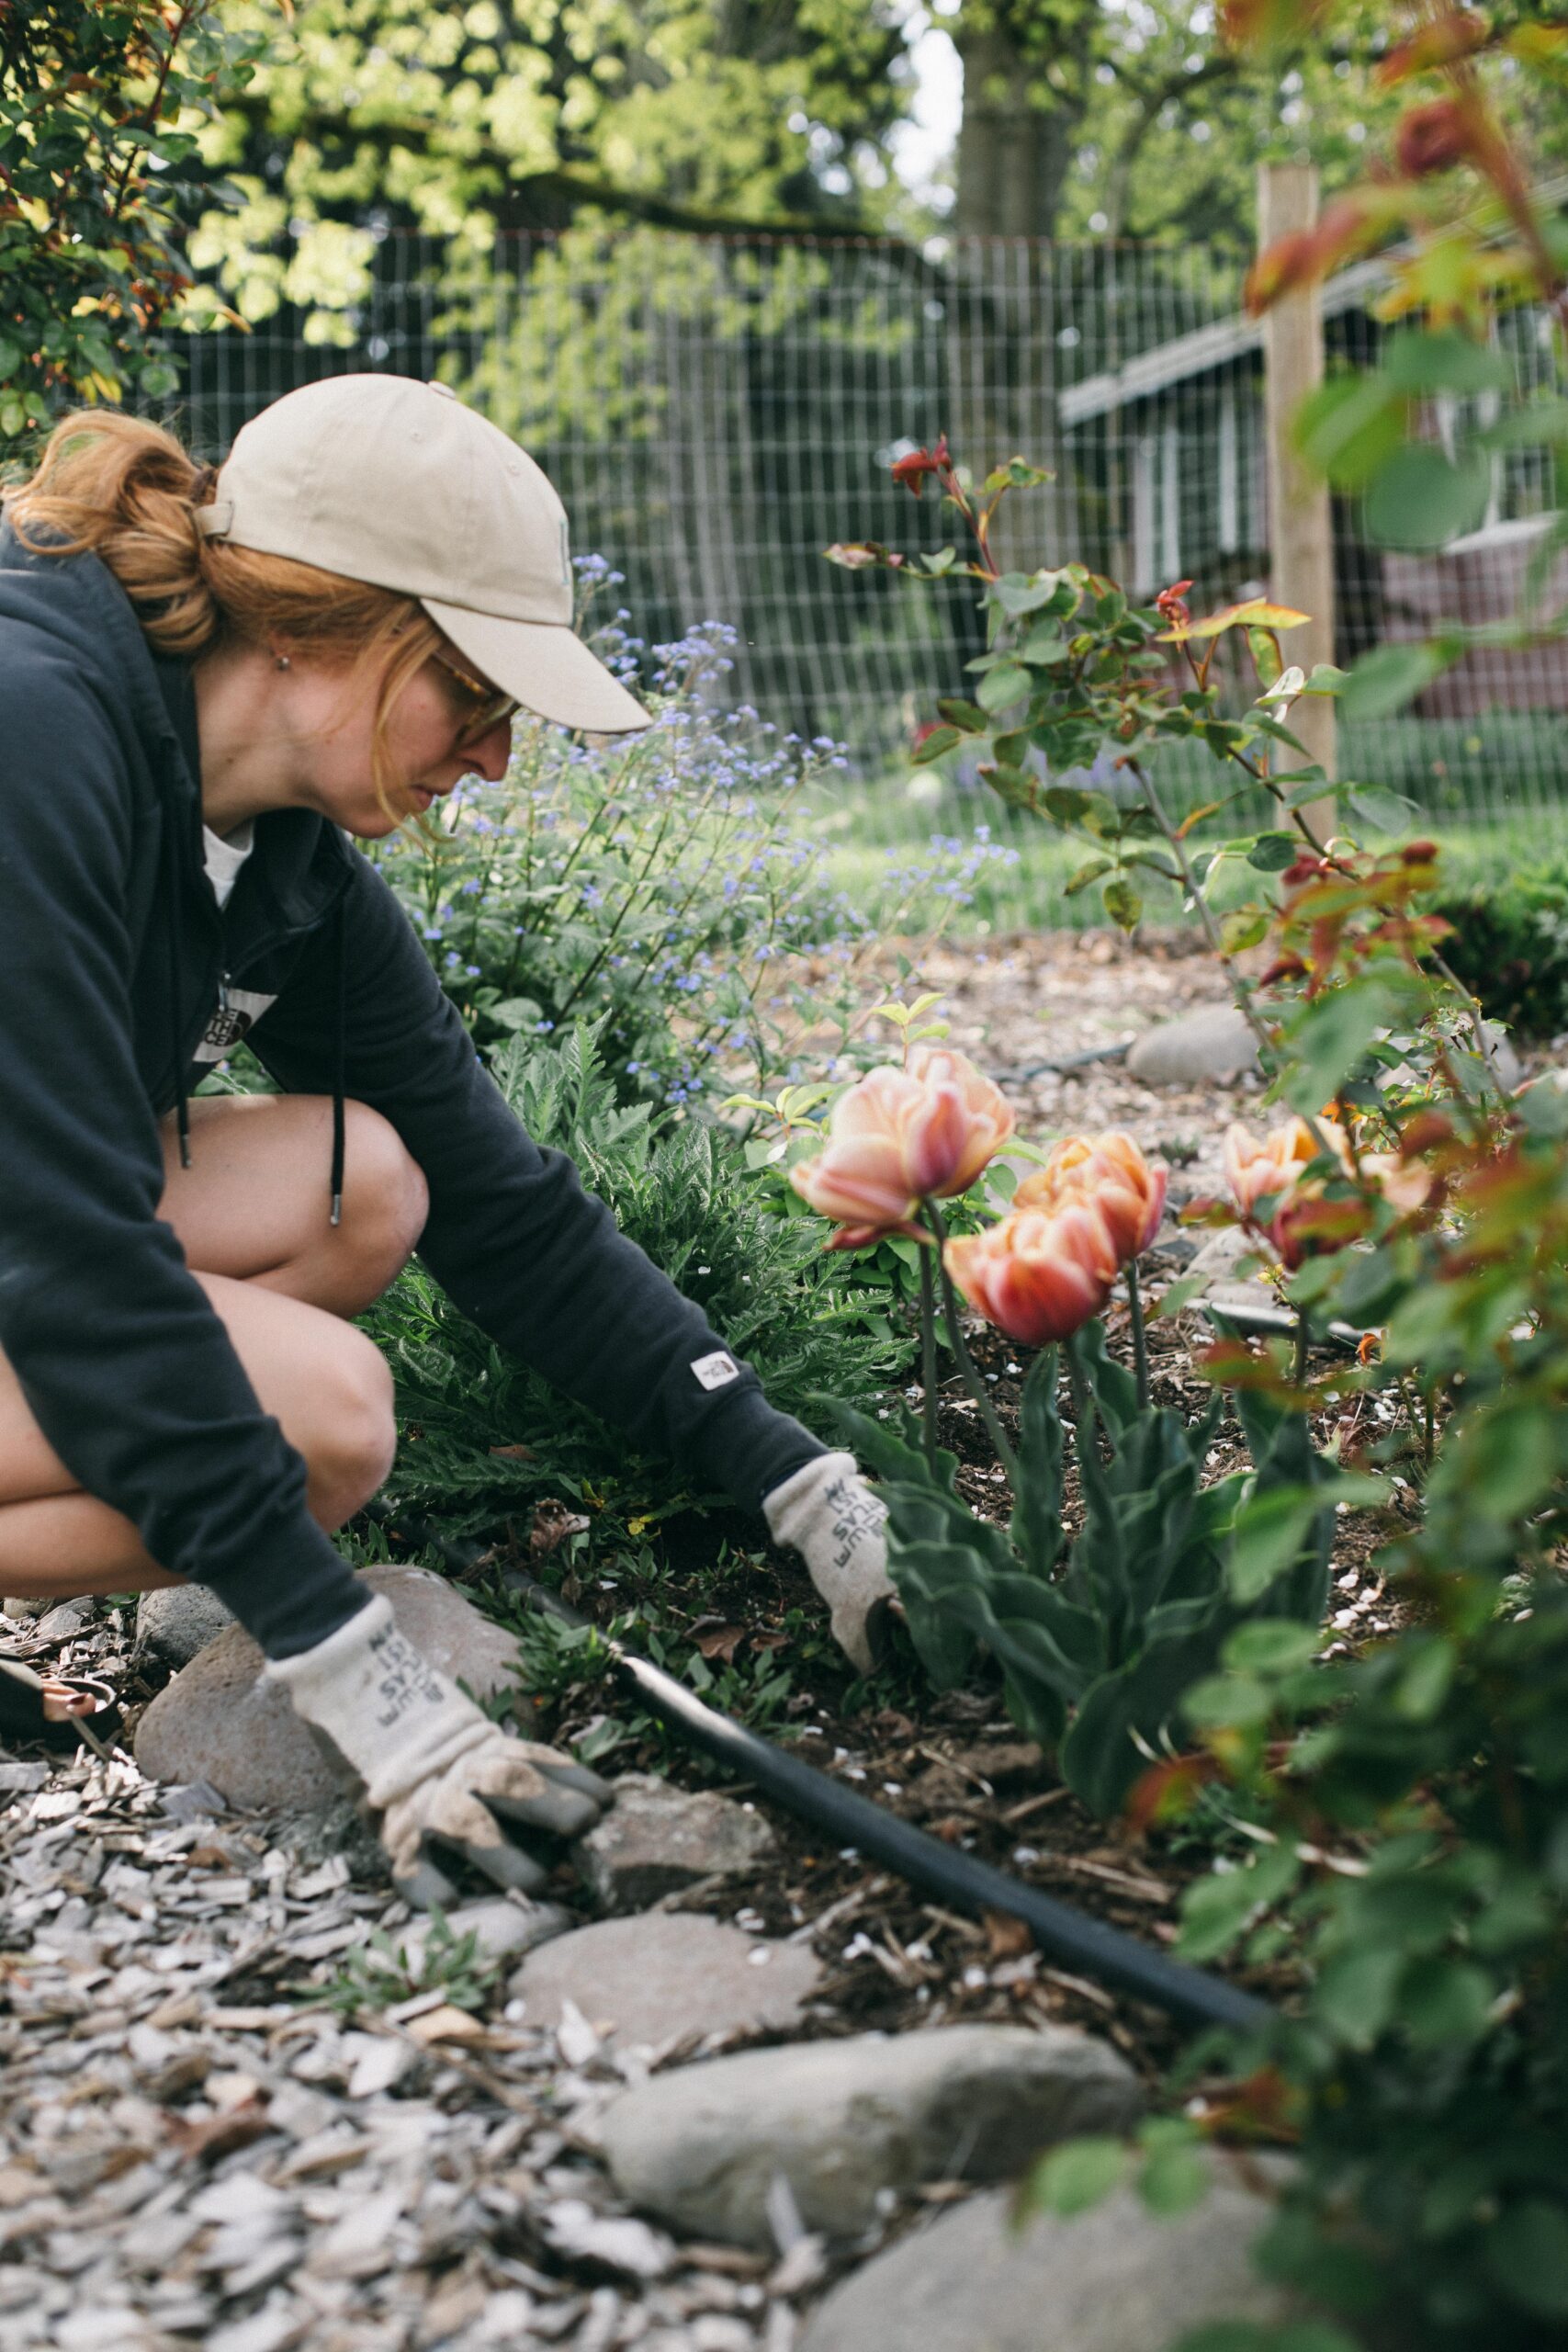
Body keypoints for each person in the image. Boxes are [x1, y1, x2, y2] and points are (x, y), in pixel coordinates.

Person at [0, 375, 894, 1905]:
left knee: (371, 1180)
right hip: (37, 1225)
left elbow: (503, 1206)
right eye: (470, 694)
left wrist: (801, 1483)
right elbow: (74, 1249)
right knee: (325, 1418)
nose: (492, 758)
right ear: (305, 621)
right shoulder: (32, 734)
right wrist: (377, 1702)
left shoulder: (276, 855)